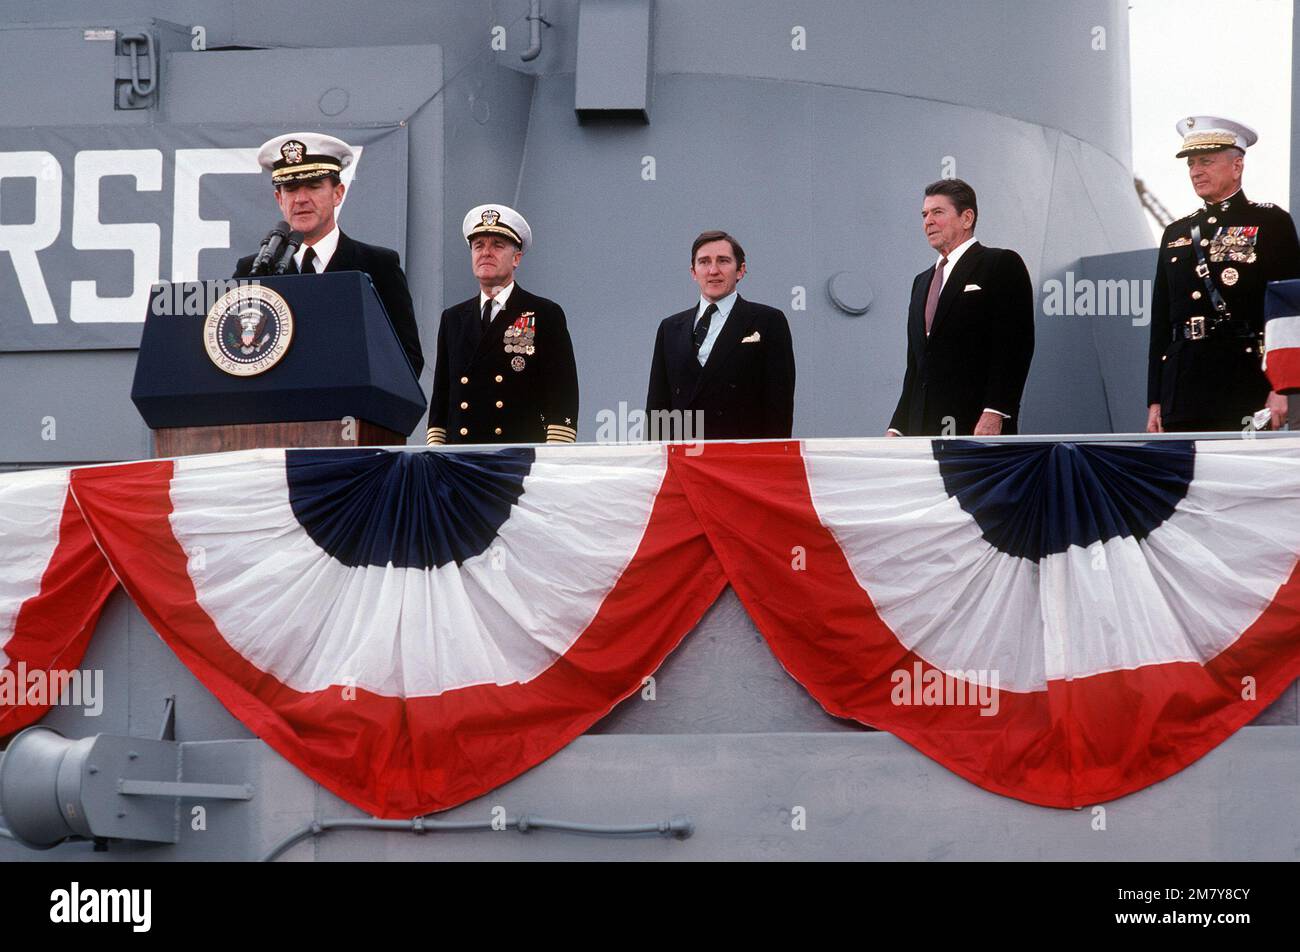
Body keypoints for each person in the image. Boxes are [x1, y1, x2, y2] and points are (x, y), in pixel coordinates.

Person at [1146, 116, 1300, 433]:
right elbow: (1161, 320)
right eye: (1191, 164)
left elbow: (1289, 310)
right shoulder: (1175, 233)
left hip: (1245, 383)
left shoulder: (1270, 222)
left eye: (1206, 161)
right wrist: (1155, 399)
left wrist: (1282, 387)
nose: (1195, 171)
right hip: (1183, 386)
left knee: (1247, 477)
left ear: (1237, 166)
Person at [233, 132, 424, 377]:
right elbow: (238, 355)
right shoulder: (254, 270)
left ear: (338, 194)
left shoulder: (378, 265)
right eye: (290, 189)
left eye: (313, 186)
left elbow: (406, 359)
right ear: (279, 199)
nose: (301, 199)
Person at [887, 179, 1034, 437]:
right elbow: (917, 365)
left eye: (938, 212)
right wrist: (897, 427)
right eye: (924, 214)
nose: (927, 221)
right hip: (921, 432)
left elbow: (1014, 347)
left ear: (967, 218)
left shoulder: (1000, 264)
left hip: (975, 427)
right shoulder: (921, 282)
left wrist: (995, 411)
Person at [426, 204, 578, 445]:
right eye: (479, 246)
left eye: (497, 245)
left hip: (518, 461)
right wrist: (437, 454)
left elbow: (562, 395)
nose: (486, 252)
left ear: (516, 258)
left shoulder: (544, 313)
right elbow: (442, 398)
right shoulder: (453, 318)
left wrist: (554, 456)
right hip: (460, 460)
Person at [645, 230, 795, 440]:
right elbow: (657, 407)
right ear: (693, 272)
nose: (713, 270)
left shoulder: (768, 321)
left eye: (723, 261)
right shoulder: (670, 327)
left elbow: (779, 405)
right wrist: (657, 459)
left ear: (740, 270)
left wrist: (769, 463)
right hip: (685, 458)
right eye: (704, 262)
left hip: (740, 458)